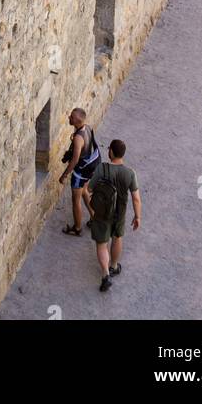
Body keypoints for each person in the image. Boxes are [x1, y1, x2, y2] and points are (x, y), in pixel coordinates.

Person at [85, 138, 141, 292]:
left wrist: (93, 207)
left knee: (102, 244)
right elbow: (136, 198)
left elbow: (88, 190)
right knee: (117, 237)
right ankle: (114, 266)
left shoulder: (101, 169)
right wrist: (137, 217)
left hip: (102, 212)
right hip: (120, 212)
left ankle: (105, 275)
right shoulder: (130, 173)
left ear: (111, 152)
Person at [59, 108, 101, 236]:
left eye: (71, 117)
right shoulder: (87, 128)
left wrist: (64, 174)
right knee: (84, 192)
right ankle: (95, 218)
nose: (69, 118)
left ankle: (77, 228)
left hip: (81, 172)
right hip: (91, 167)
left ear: (77, 121)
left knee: (76, 200)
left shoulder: (78, 138)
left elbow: (75, 159)